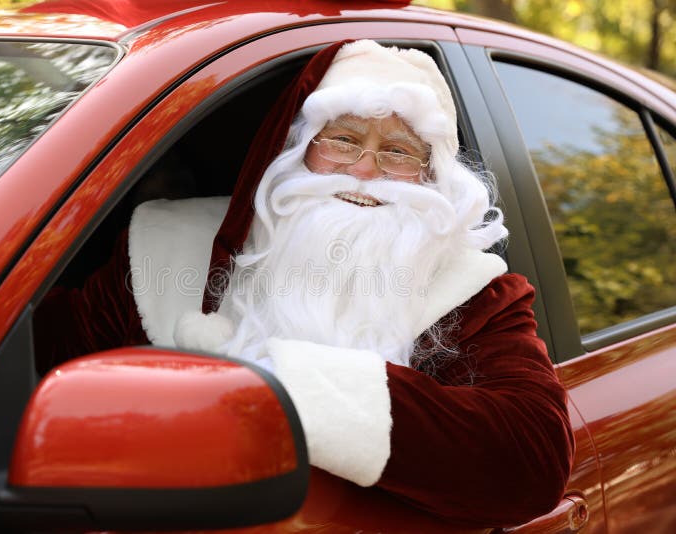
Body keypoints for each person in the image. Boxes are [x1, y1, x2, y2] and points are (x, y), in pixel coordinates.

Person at [35, 40, 574, 528]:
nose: (365, 171)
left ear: (431, 176)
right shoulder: (166, 250)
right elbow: (20, 365)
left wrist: (276, 386)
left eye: (398, 151)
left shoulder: (473, 290)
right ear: (296, 150)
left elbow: (530, 460)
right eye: (342, 140)